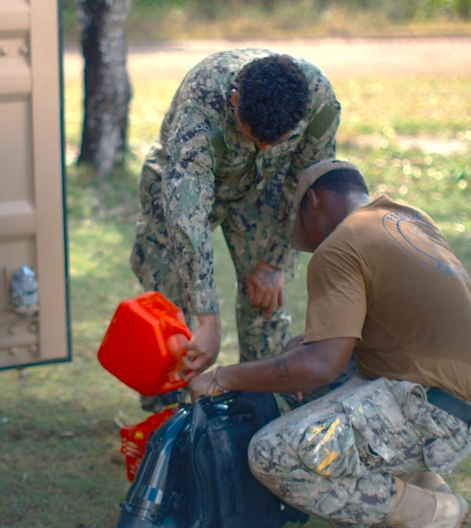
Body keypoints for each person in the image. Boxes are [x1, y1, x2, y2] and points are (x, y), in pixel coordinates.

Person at [189, 159, 471, 527]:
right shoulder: (407, 219)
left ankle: (433, 513)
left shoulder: (340, 245)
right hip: (467, 409)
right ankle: (424, 480)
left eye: (306, 228)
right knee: (306, 372)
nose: (314, 243)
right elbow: (384, 320)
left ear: (314, 201)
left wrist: (224, 377)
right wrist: (304, 346)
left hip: (433, 416)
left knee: (273, 454)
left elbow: (321, 365)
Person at [131, 48, 340, 411]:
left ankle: (263, 410)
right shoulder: (203, 101)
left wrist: (276, 262)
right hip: (182, 184)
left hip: (266, 194)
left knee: (265, 301)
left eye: (271, 143)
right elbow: (187, 212)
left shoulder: (318, 102)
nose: (260, 147)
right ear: (234, 99)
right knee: (166, 308)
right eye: (252, 137)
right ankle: (165, 420)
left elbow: (308, 183)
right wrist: (207, 318)